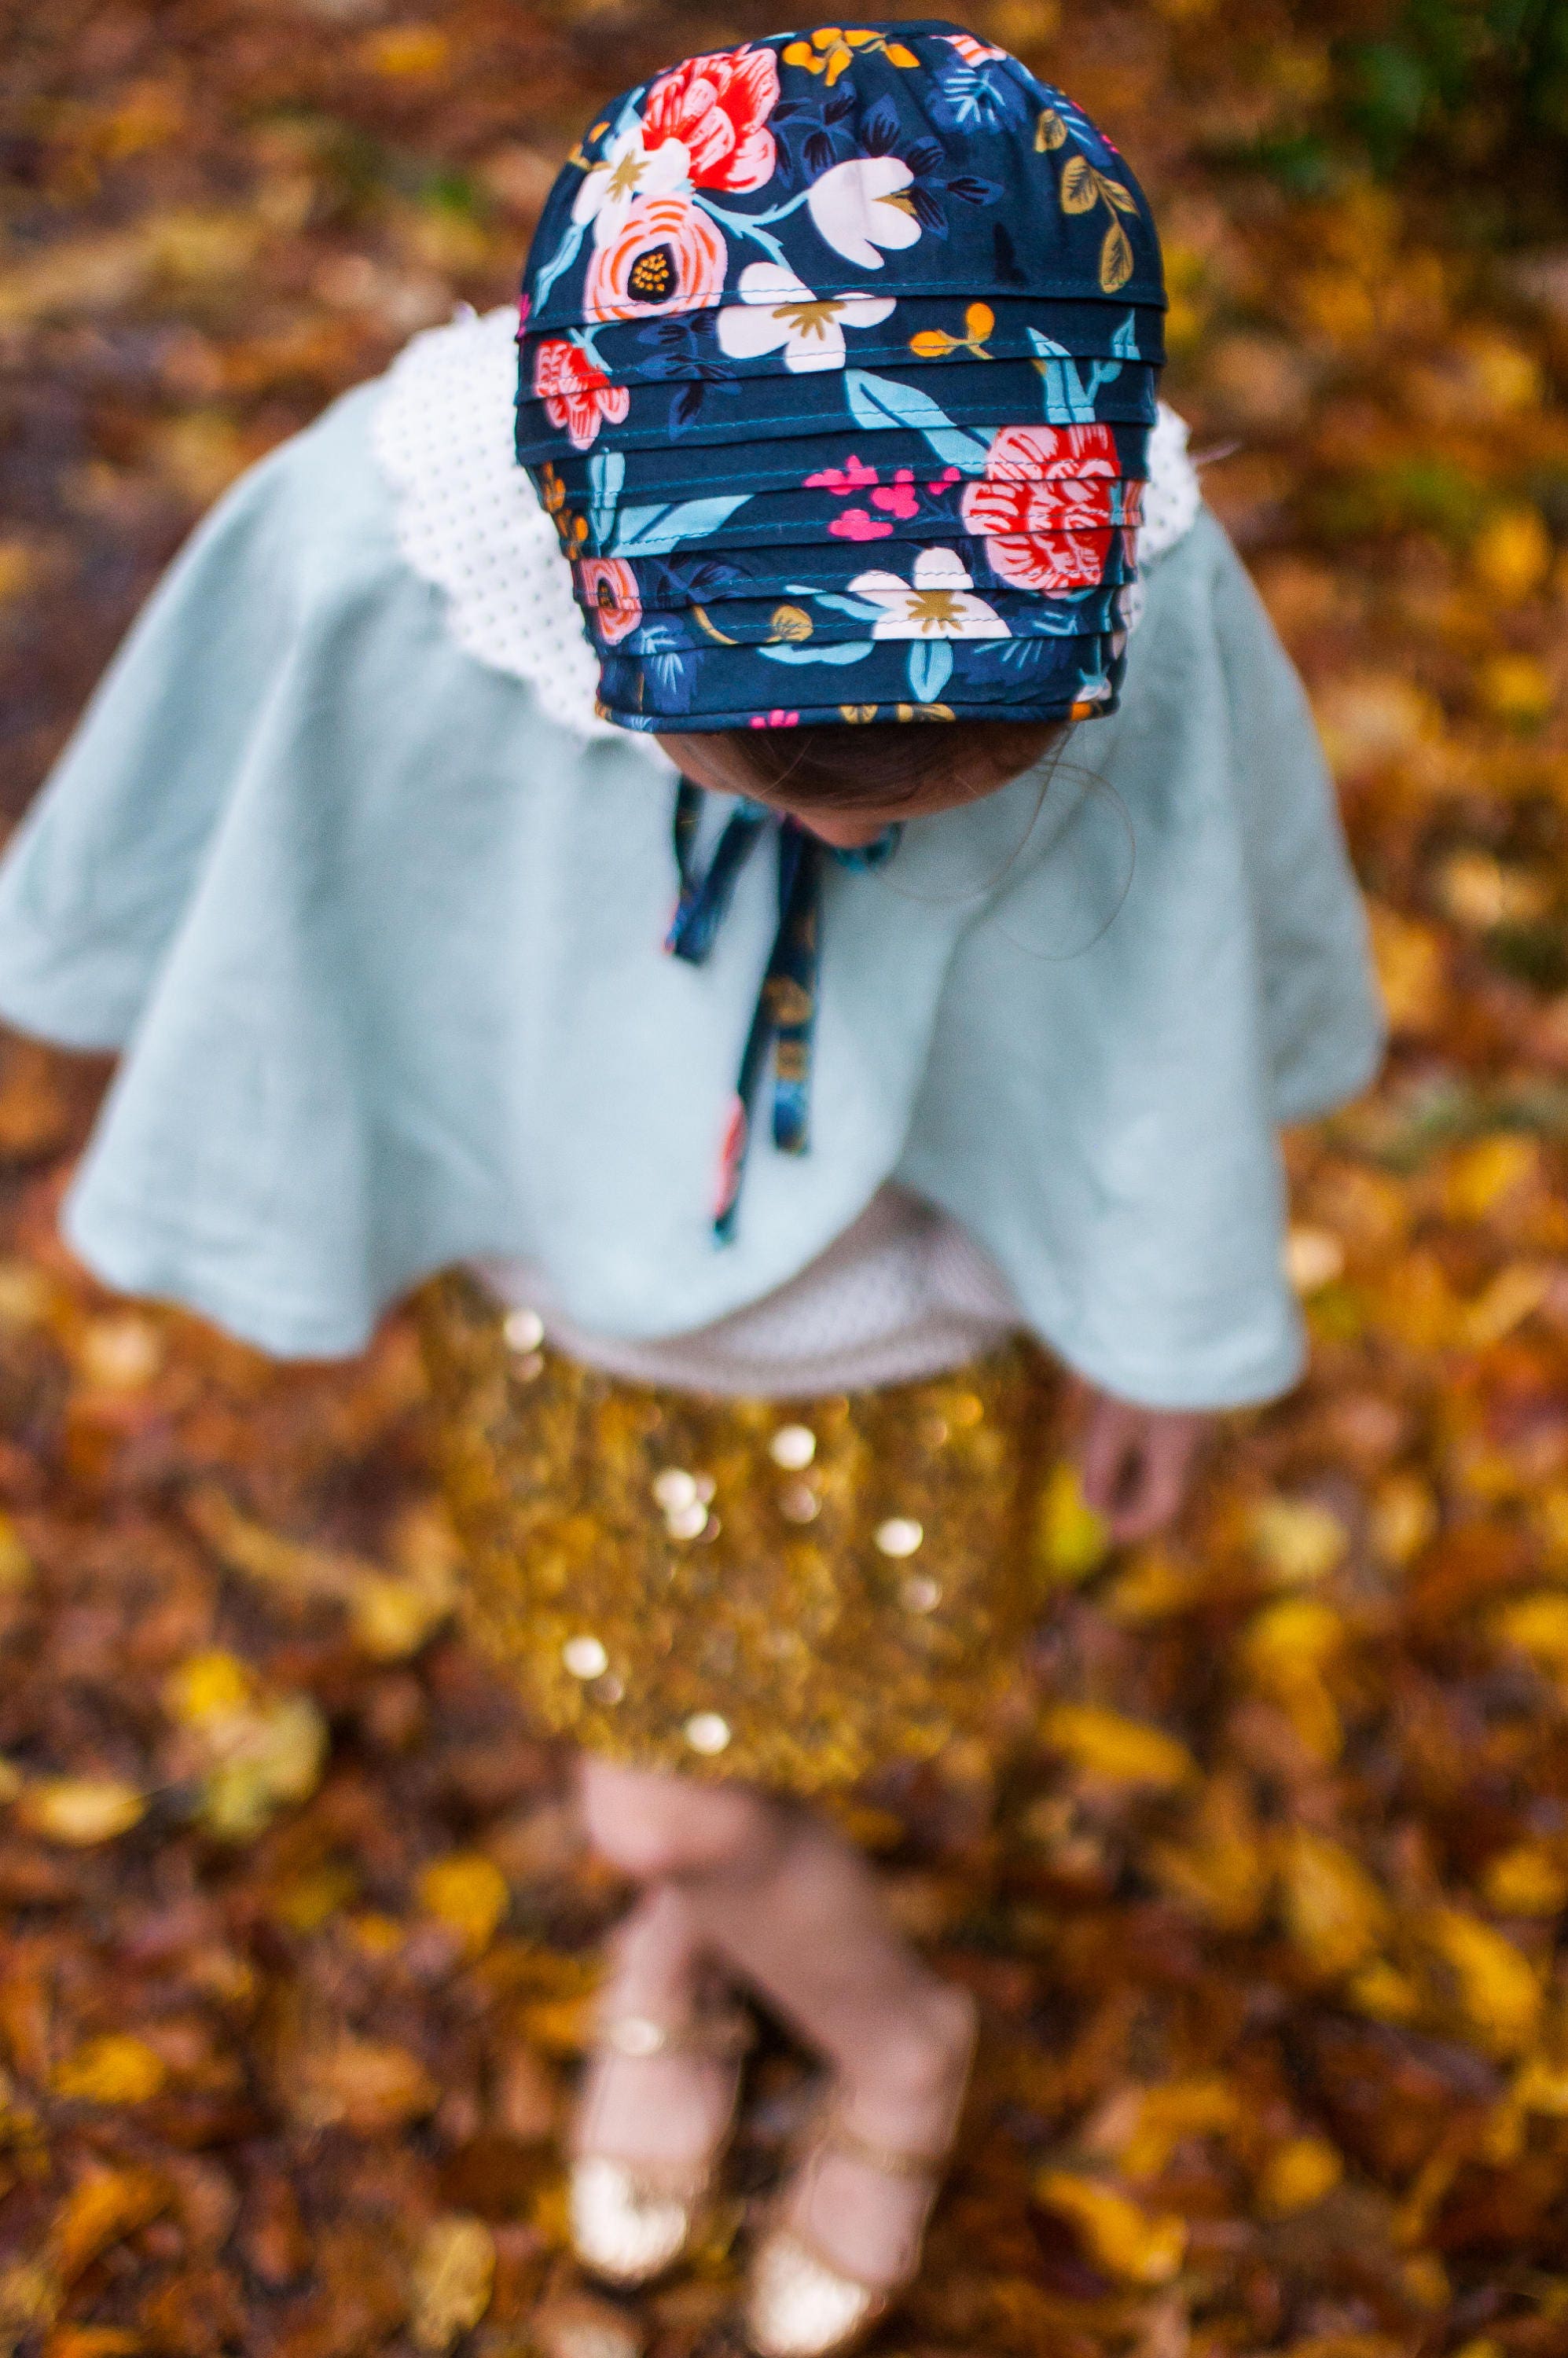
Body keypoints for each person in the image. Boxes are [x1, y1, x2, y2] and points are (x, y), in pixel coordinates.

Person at [0, 21, 1383, 2355]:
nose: (849, 829)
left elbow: (1162, 993)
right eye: (787, 769)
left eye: (941, 791)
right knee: (662, 1758)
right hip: (565, 1314)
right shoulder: (407, 546)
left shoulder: (1127, 583)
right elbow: (257, 858)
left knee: (698, 1775)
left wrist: (1157, 1315)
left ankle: (791, 1976)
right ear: (592, 575)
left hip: (901, 1337)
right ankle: (788, 1970)